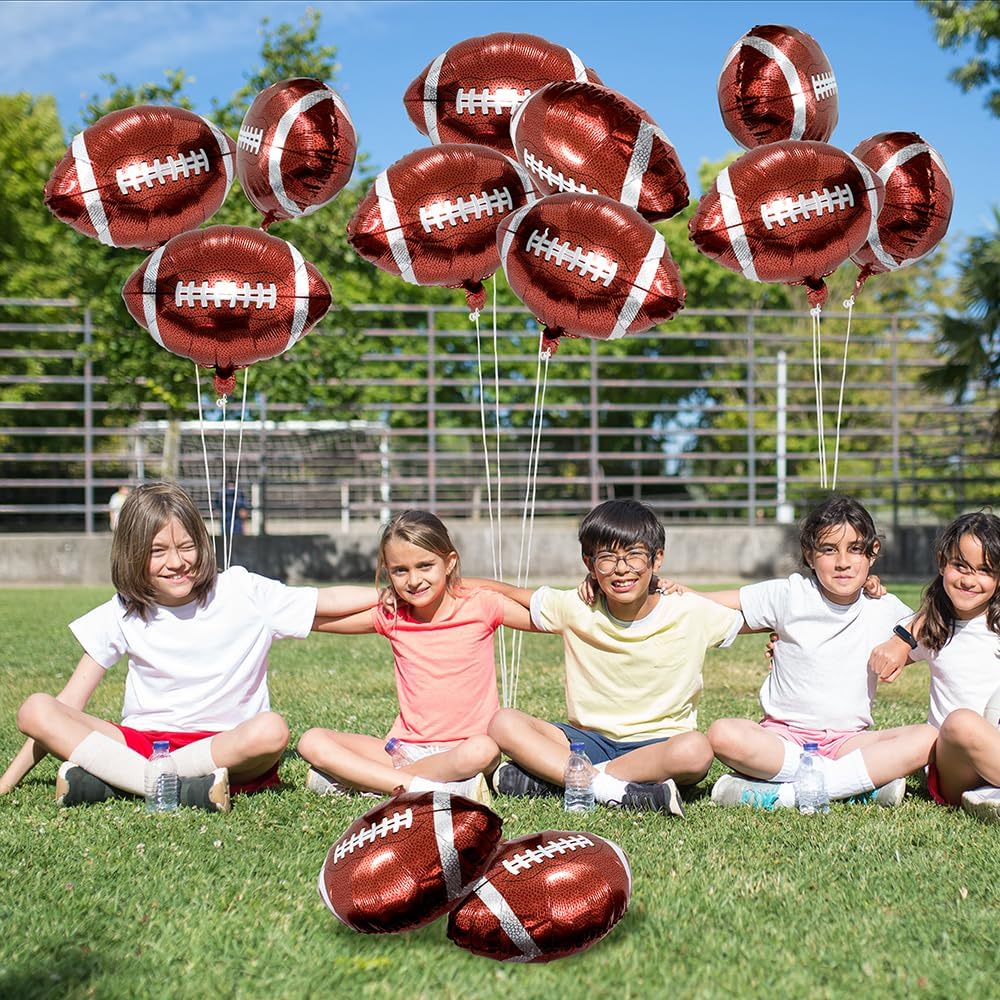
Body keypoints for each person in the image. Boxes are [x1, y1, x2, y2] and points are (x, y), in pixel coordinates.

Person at [0, 482, 377, 810]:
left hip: (228, 745)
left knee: (272, 730)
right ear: (132, 553)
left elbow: (323, 602)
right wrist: (7, 782)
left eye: (186, 546)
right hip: (145, 743)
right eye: (158, 551)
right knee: (35, 709)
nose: (177, 562)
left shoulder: (240, 590)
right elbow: (67, 705)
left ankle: (124, 780)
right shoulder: (122, 610)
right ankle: (181, 788)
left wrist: (394, 595)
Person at [469, 498, 744, 816]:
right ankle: (611, 788)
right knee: (504, 722)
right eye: (607, 559)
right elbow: (505, 594)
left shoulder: (690, 610)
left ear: (657, 560)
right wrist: (442, 585)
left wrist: (780, 638)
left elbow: (762, 614)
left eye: (635, 557)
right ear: (589, 563)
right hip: (588, 740)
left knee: (696, 751)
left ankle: (559, 778)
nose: (622, 569)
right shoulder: (576, 605)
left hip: (660, 747)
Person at [692, 495, 937, 810]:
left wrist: (900, 642)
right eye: (829, 549)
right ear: (809, 554)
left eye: (855, 549)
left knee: (927, 738)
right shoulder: (789, 593)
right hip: (781, 740)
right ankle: (855, 786)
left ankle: (782, 796)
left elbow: (939, 627)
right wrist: (665, 590)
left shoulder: (885, 609)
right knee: (723, 733)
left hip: (848, 742)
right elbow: (709, 602)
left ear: (873, 553)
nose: (843, 562)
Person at [299, 509, 535, 803]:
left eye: (425, 566)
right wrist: (379, 595)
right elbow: (312, 617)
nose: (413, 580)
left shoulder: (481, 605)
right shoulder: (392, 614)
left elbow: (546, 615)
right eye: (400, 571)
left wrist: (482, 584)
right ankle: (431, 788)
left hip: (464, 751)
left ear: (449, 563)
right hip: (403, 750)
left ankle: (370, 782)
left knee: (484, 750)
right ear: (388, 571)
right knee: (312, 741)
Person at [868, 510, 1000, 823]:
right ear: (942, 562)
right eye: (960, 566)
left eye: (985, 570)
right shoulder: (931, 627)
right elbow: (871, 642)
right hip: (956, 770)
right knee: (960, 723)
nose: (969, 579)